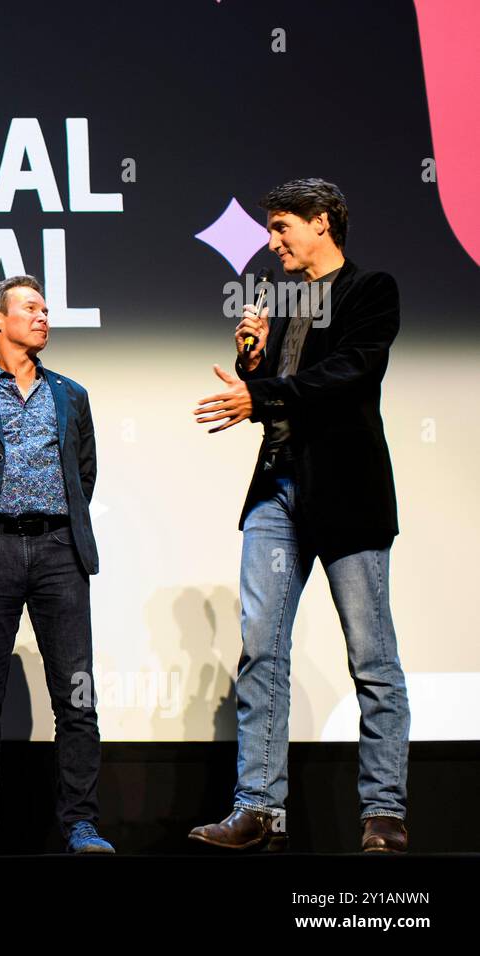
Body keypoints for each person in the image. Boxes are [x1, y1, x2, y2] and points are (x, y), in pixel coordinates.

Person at [191, 178, 410, 852]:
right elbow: (277, 396)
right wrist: (251, 363)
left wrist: (266, 394)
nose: (273, 239)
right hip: (277, 493)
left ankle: (384, 813)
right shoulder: (287, 308)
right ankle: (260, 811)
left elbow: (348, 374)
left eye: (284, 225)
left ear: (323, 223)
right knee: (262, 648)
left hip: (346, 493)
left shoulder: (371, 291)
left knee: (371, 658)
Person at [0, 275, 113, 855]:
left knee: (76, 697)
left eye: (45, 308)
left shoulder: (72, 394)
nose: (43, 317)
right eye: (29, 308)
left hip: (61, 550)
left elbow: (83, 474)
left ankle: (81, 825)